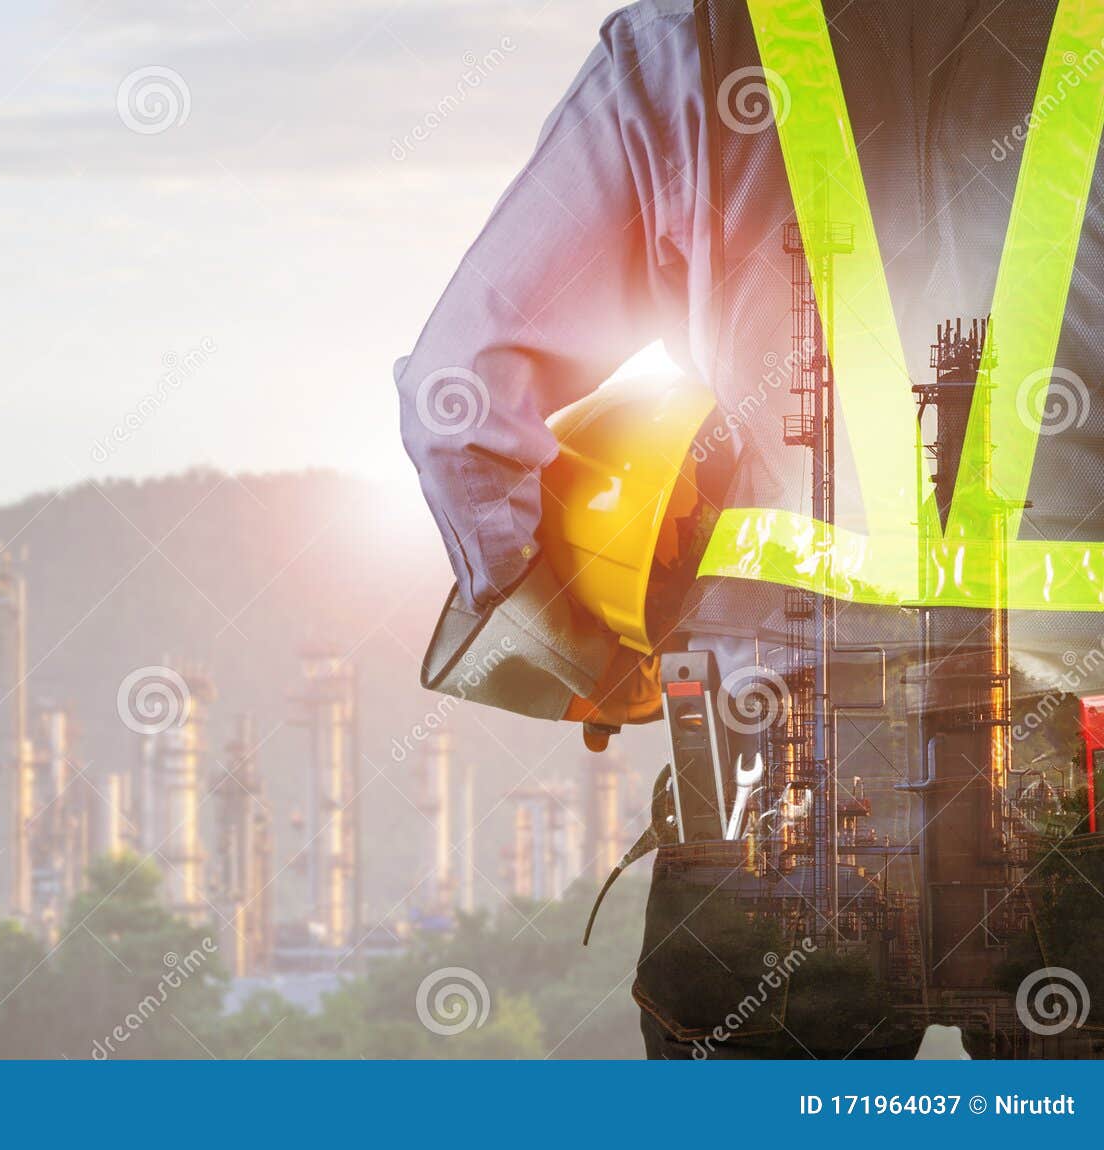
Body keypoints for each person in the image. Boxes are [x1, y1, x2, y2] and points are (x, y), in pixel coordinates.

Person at [397, 0, 1104, 1059]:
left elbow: (462, 394)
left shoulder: (688, 48)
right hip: (1076, 769)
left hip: (763, 764)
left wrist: (583, 648)